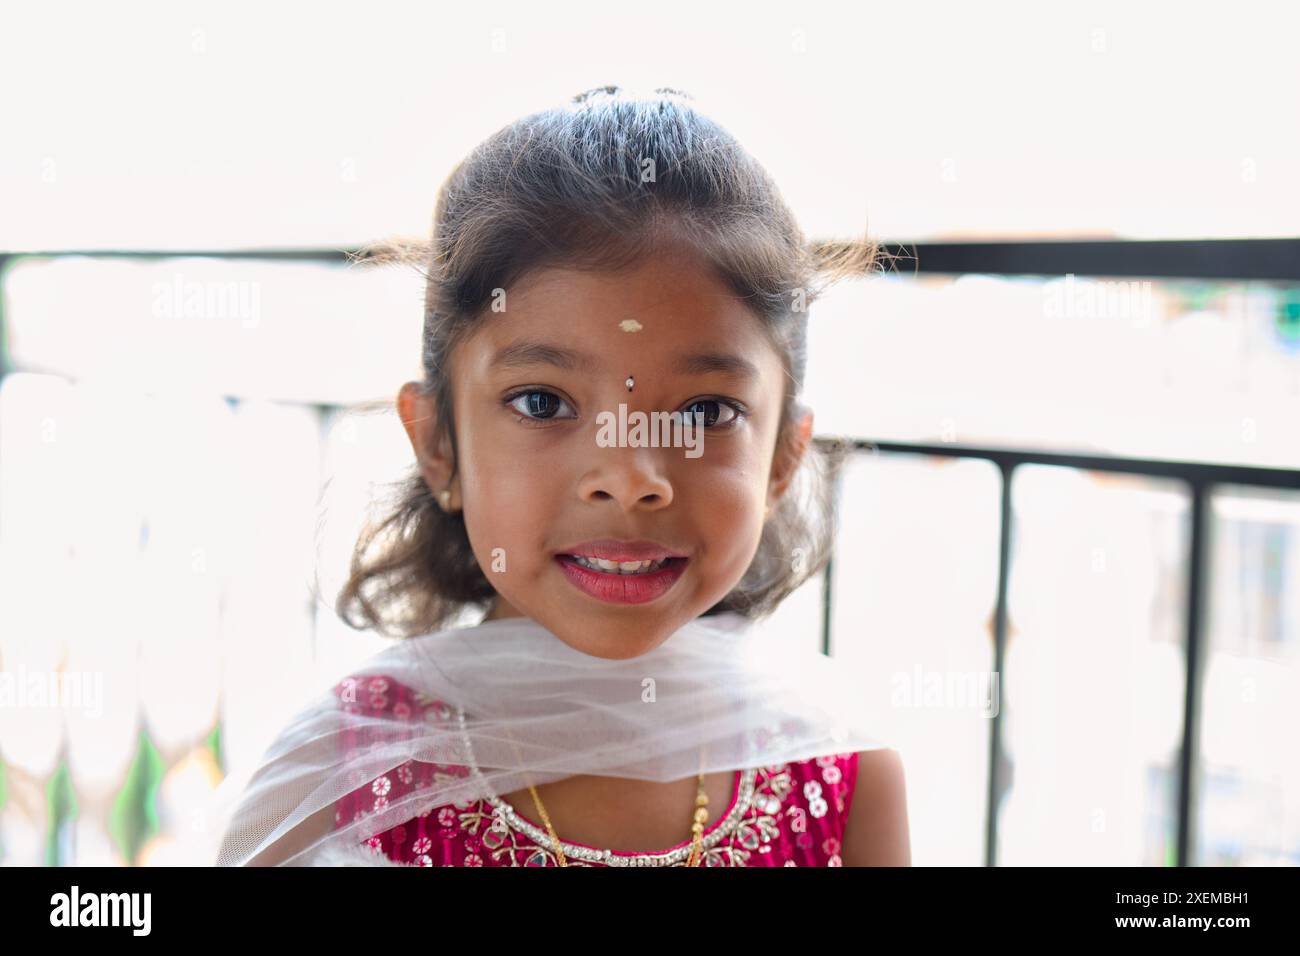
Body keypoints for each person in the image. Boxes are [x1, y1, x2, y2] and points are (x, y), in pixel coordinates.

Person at [211, 85, 910, 867]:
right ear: (438, 444)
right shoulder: (338, 776)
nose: (630, 476)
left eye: (707, 412)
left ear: (782, 456)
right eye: (543, 402)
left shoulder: (847, 779)